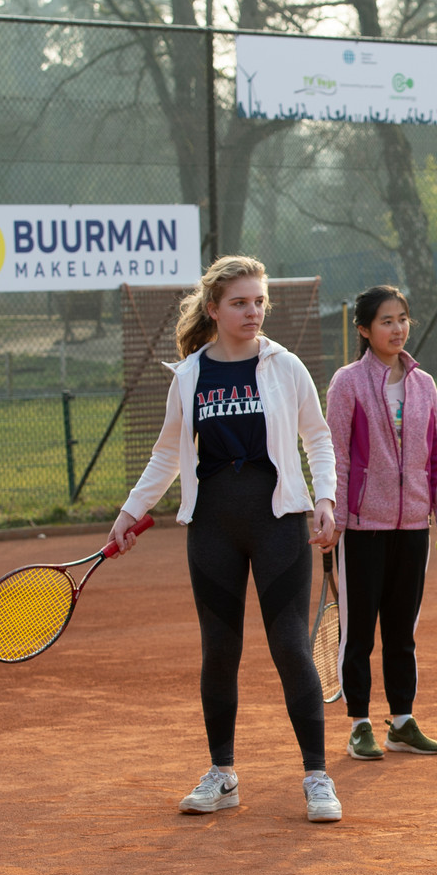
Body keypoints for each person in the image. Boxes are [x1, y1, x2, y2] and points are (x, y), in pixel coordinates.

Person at [107, 255, 343, 823]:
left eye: (260, 301)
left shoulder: (284, 366)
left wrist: (326, 499)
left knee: (289, 644)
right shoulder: (189, 375)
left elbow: (317, 437)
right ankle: (223, 774)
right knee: (219, 649)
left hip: (279, 523)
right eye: (240, 302)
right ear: (214, 308)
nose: (253, 311)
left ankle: (317, 777)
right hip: (211, 527)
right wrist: (130, 510)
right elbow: (167, 452)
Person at [324, 284, 437, 762]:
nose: (397, 328)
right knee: (358, 632)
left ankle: (402, 721)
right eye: (386, 321)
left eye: (402, 318)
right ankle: (359, 723)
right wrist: (335, 518)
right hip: (361, 528)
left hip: (412, 529)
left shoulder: (424, 384)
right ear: (363, 329)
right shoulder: (347, 383)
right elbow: (335, 455)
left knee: (402, 631)